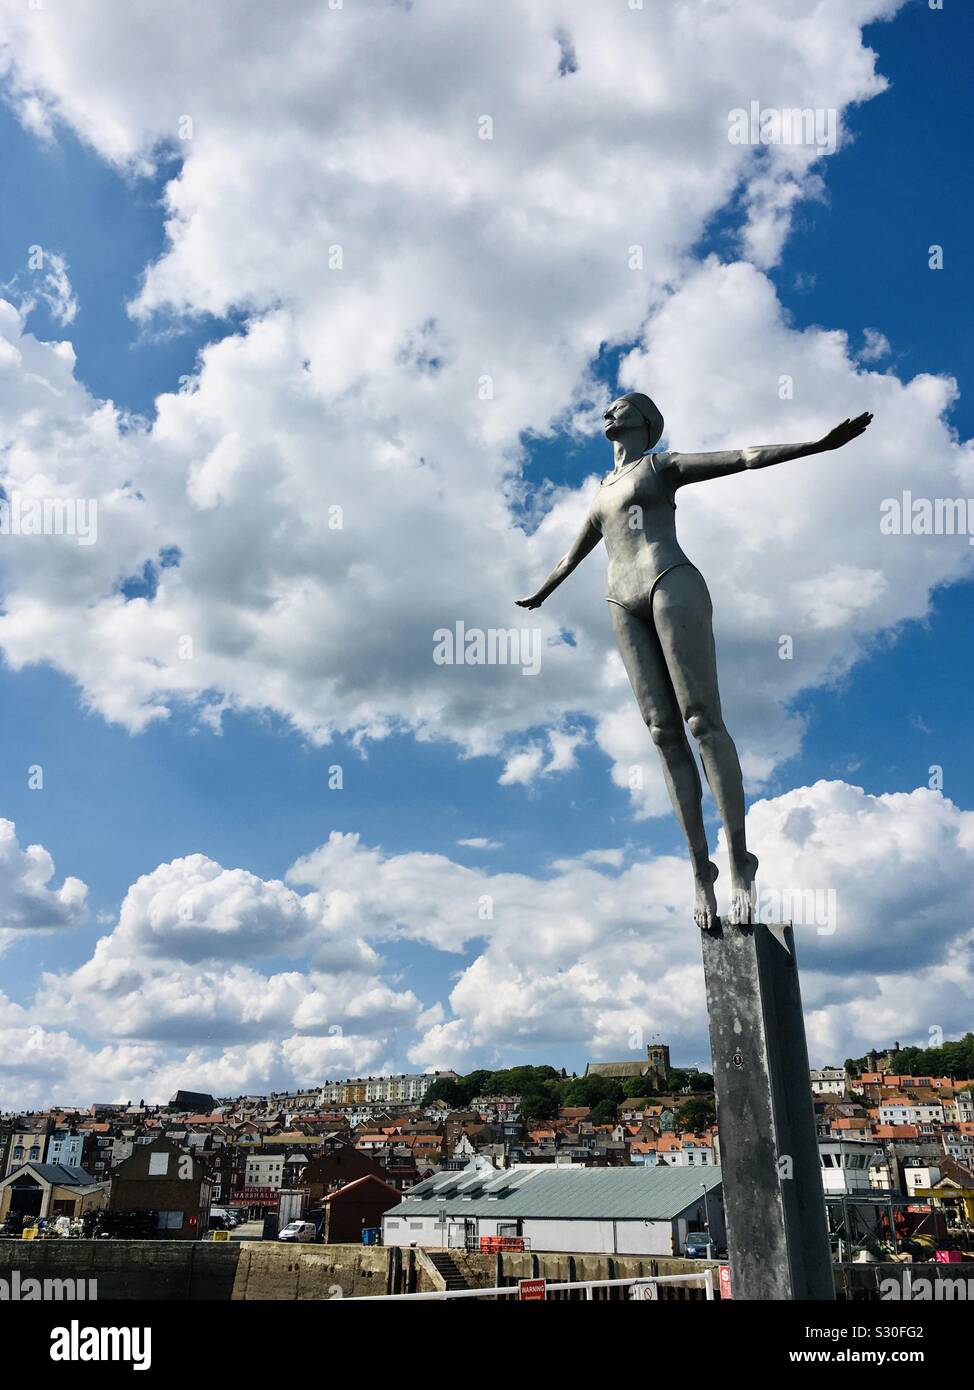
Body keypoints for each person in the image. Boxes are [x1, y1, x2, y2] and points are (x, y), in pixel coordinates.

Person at [516, 393, 872, 928]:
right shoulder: (601, 492)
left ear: (644, 420)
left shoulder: (661, 467)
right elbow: (572, 555)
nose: (608, 413)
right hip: (620, 599)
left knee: (701, 720)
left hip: (669, 581)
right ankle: (700, 871)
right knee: (663, 733)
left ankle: (739, 860)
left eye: (620, 406)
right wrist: (541, 594)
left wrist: (817, 445)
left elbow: (743, 457)